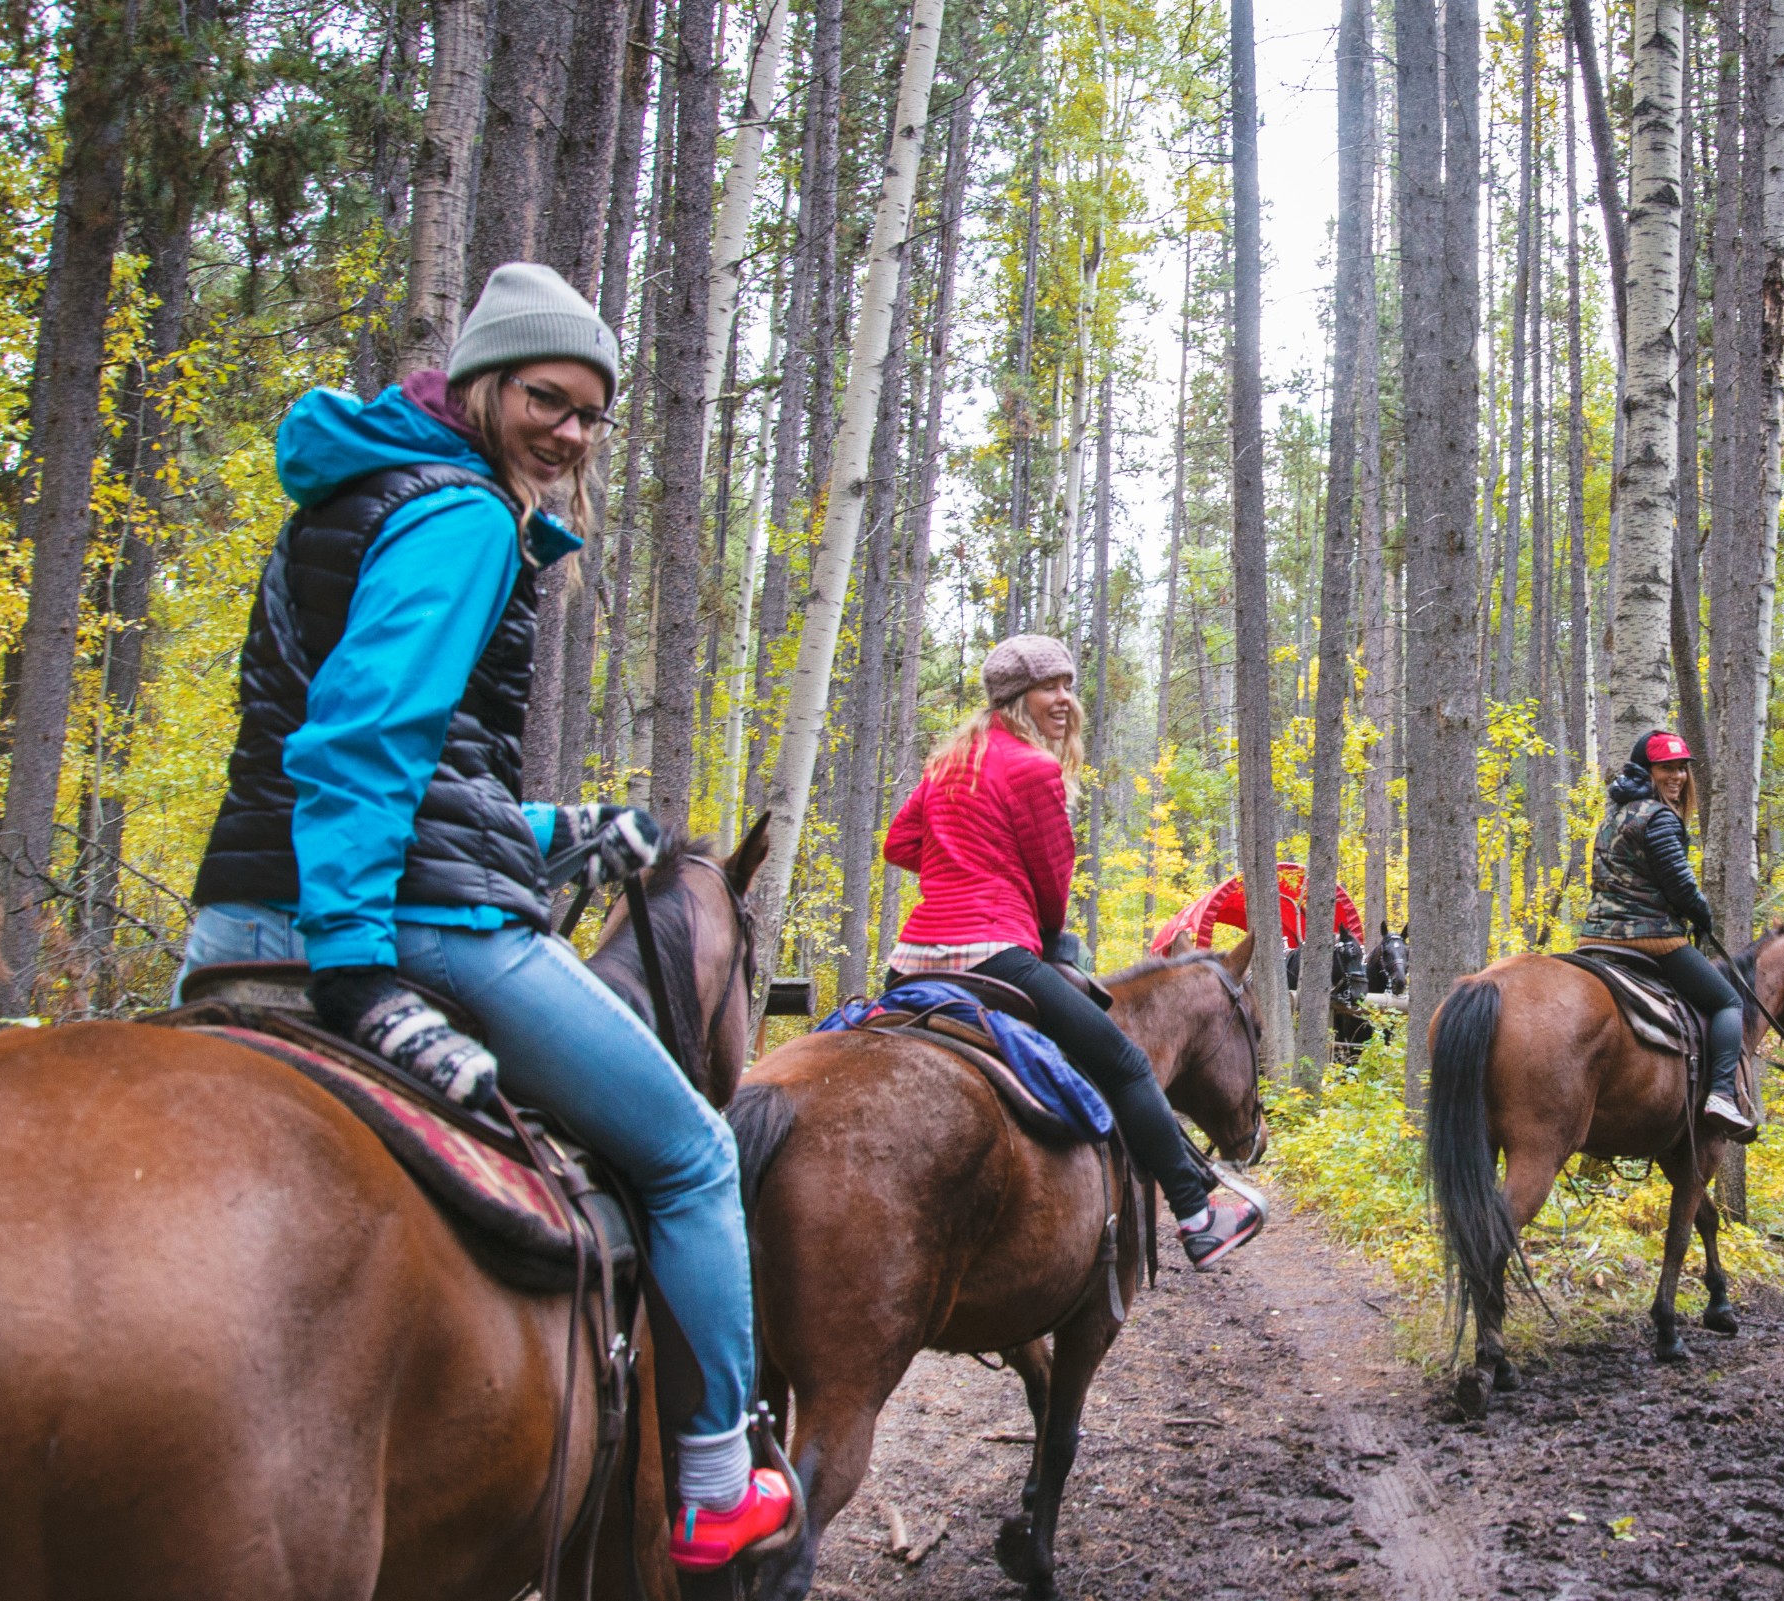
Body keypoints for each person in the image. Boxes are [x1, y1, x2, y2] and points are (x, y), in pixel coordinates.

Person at [175, 263, 789, 1571]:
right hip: (396, 928)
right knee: (691, 1154)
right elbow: (362, 746)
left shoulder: (363, 491)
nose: (568, 434)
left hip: (242, 917)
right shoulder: (459, 516)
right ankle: (717, 1475)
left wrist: (561, 831)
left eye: (589, 415)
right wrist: (352, 964)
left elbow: (415, 769)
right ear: (480, 385)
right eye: (546, 400)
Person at [881, 635, 1264, 1267]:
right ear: (1013, 698)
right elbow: (1053, 886)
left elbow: (900, 845)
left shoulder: (950, 763)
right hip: (995, 953)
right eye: (1049, 687)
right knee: (1125, 1065)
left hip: (912, 961)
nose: (1064, 700)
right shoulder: (1034, 769)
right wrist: (1013, 900)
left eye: (1068, 685)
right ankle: (1198, 1215)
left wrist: (960, 861)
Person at [1574, 730, 1753, 1141]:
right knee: (1728, 1000)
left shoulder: (1614, 814)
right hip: (1650, 938)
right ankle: (1722, 1096)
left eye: (1681, 768)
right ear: (1647, 769)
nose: (1677, 776)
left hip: (1595, 940)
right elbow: (1680, 886)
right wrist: (1702, 915)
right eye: (1666, 767)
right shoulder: (1659, 818)